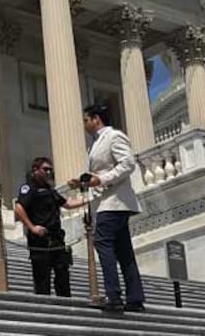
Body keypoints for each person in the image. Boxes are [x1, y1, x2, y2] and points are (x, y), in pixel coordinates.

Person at [70, 103, 145, 313]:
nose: (84, 125)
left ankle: (114, 296)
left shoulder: (114, 136)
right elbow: (100, 175)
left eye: (86, 120)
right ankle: (135, 298)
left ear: (96, 119)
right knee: (123, 250)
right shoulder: (94, 144)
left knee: (102, 242)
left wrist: (100, 179)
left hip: (115, 202)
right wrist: (83, 183)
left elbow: (128, 164)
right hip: (107, 202)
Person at [14, 157, 85, 297]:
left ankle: (66, 305)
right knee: (42, 278)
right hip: (40, 241)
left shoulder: (50, 190)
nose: (49, 172)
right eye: (45, 169)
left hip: (56, 239)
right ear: (35, 170)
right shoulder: (29, 188)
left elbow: (67, 204)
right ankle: (45, 306)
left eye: (50, 170)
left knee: (63, 275)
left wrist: (89, 199)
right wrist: (32, 227)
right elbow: (18, 208)